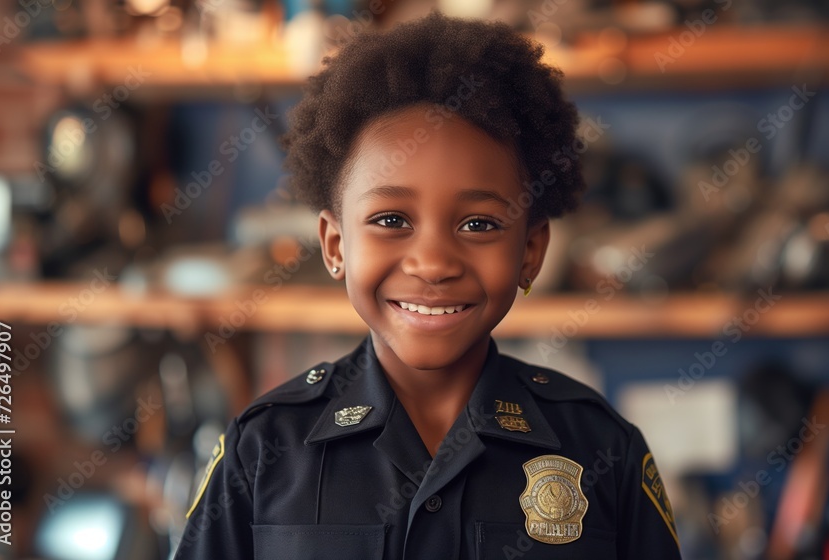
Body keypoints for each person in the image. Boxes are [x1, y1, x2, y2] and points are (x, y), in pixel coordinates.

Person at [175, 11, 681, 560]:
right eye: (391, 220)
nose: (434, 263)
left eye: (479, 224)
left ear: (531, 252)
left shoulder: (602, 449)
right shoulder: (261, 453)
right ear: (335, 245)